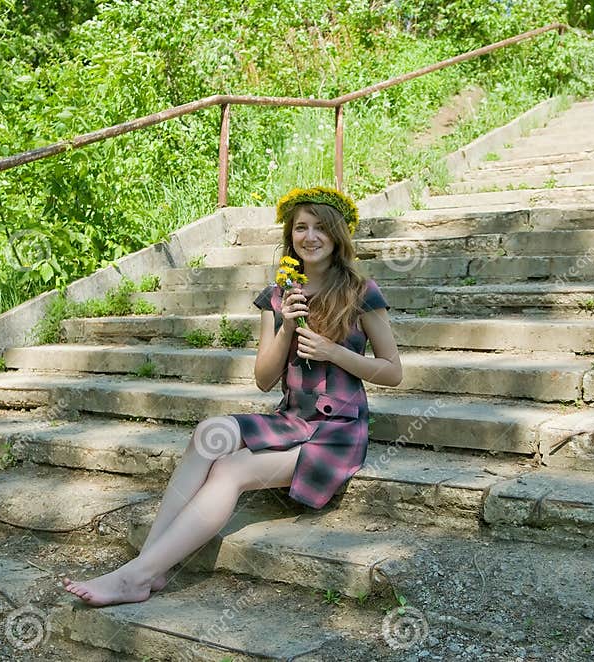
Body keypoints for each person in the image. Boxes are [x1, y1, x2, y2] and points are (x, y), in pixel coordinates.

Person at [63, 186, 402, 607]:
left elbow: (393, 371)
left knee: (230, 470)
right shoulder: (279, 295)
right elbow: (263, 379)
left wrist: (335, 352)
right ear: (290, 236)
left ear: (337, 235)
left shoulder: (361, 292)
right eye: (300, 227)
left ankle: (137, 575)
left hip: (336, 431)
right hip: (292, 418)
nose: (309, 237)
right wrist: (287, 327)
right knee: (209, 434)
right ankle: (148, 567)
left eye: (319, 227)